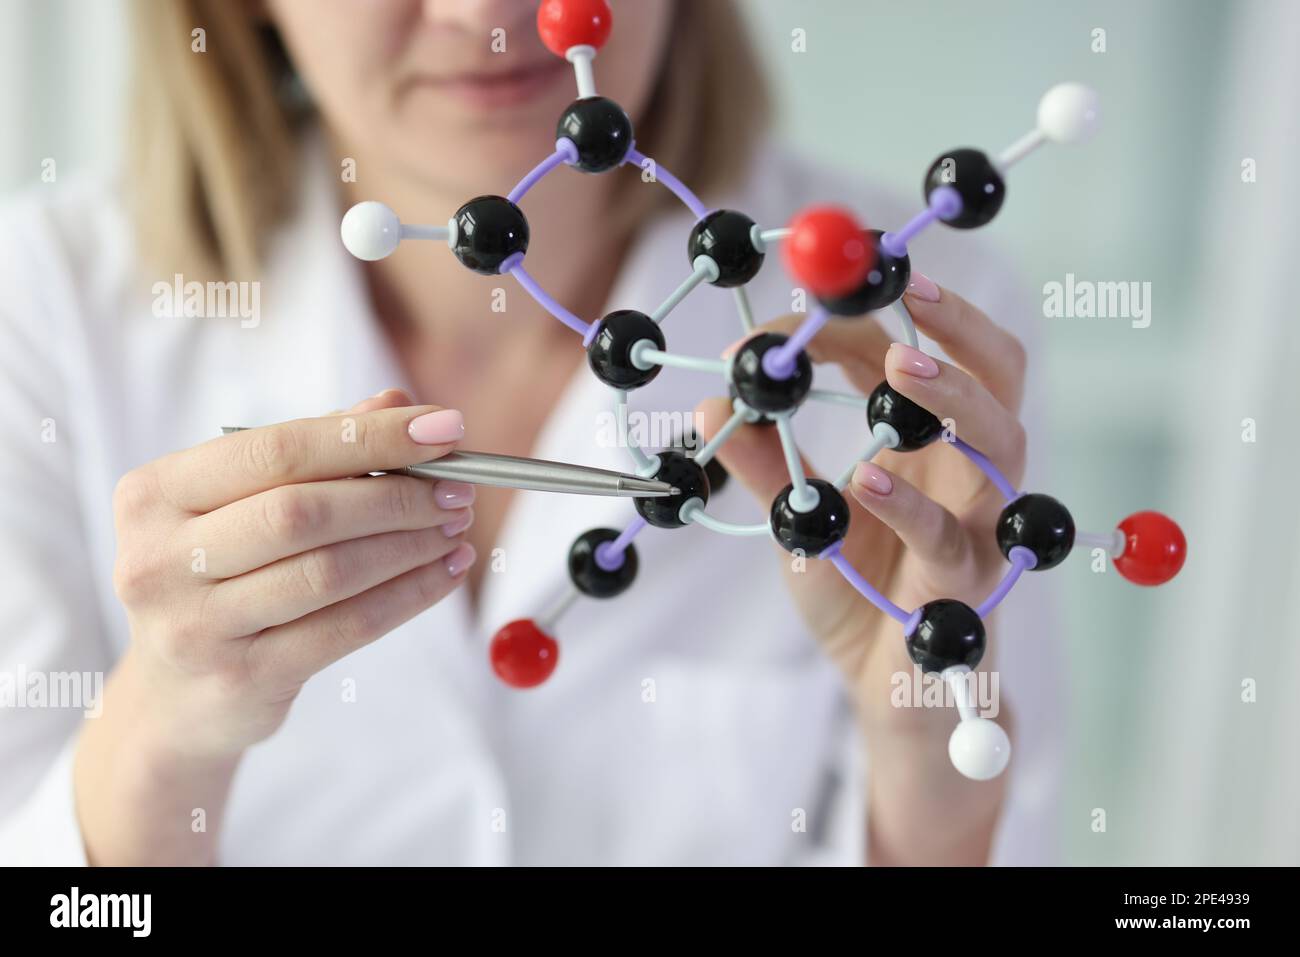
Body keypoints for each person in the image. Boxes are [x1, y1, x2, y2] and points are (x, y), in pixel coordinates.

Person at [0, 0, 1061, 866]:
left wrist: (928, 783)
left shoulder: (914, 333)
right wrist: (159, 735)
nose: (486, 12)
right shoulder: (45, 311)